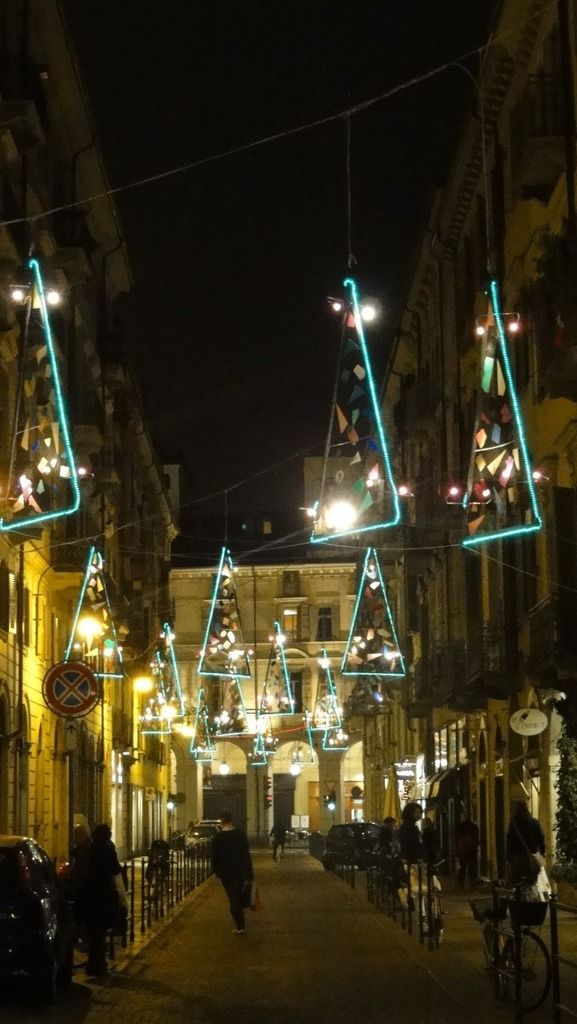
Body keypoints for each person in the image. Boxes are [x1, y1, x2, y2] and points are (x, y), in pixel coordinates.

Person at [84, 824, 126, 976]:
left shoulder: (90, 848)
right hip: (104, 893)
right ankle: (98, 964)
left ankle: (92, 964)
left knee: (93, 930)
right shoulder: (107, 849)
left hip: (90, 893)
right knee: (101, 930)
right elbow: (115, 869)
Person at [211, 809, 254, 935]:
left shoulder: (218, 838)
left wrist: (216, 871)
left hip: (226, 873)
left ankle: (240, 925)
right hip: (240, 871)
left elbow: (214, 856)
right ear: (231, 820)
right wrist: (249, 873)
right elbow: (246, 855)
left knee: (232, 896)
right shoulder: (240, 835)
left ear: (222, 821)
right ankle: (240, 923)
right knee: (237, 895)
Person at [506, 801, 546, 889]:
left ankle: (519, 899)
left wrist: (508, 857)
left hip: (517, 857)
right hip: (533, 856)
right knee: (532, 881)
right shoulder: (535, 822)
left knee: (517, 882)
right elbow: (541, 839)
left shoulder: (514, 824)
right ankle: (531, 898)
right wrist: (542, 853)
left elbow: (509, 841)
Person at [456, 816, 480, 888]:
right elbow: (476, 837)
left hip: (463, 850)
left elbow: (457, 838)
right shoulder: (473, 827)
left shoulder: (460, 827)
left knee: (463, 867)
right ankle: (471, 883)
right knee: (471, 867)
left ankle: (461, 883)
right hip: (471, 849)